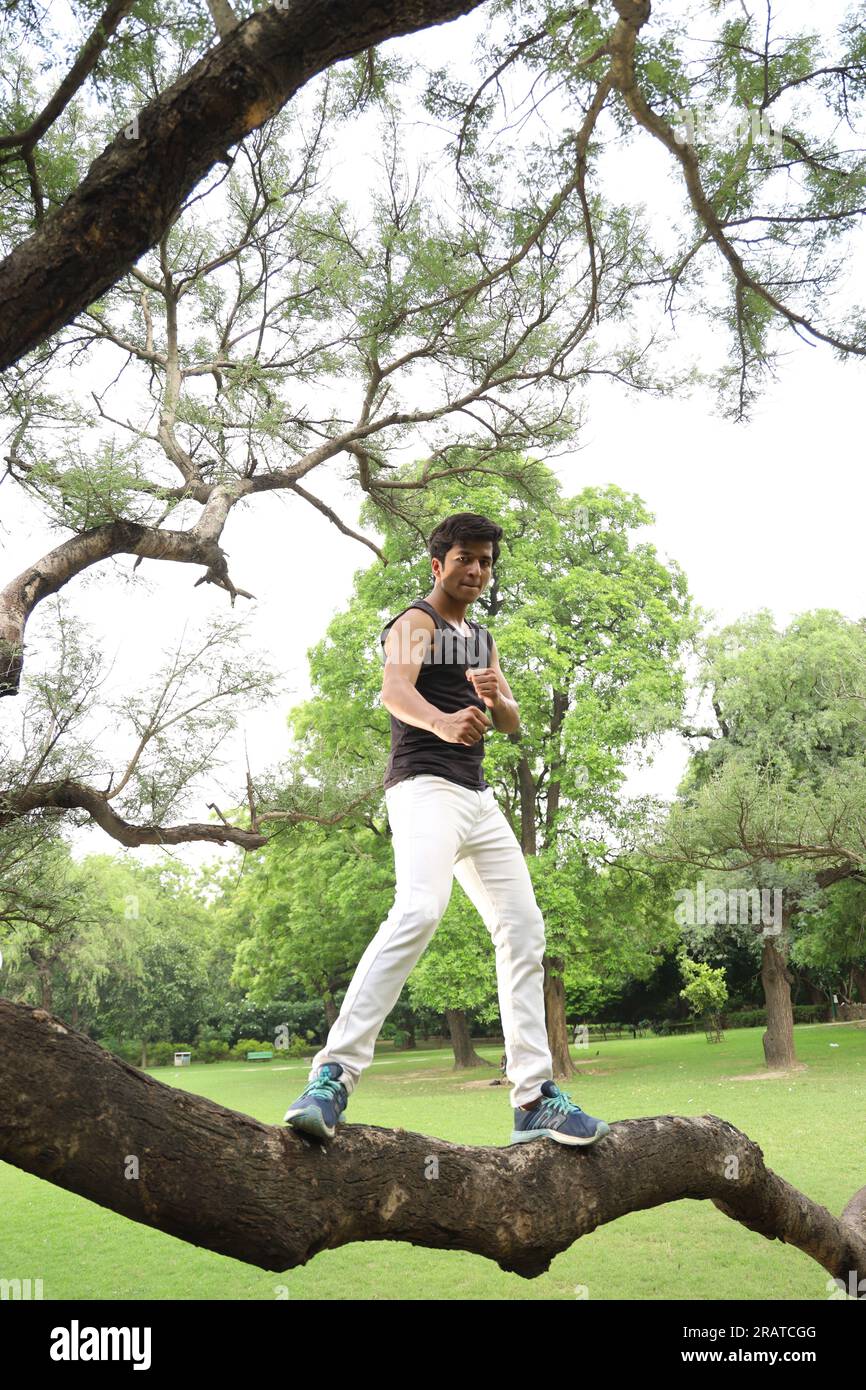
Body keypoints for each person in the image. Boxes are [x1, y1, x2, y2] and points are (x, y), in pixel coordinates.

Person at [283, 512, 610, 1148]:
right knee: (419, 910)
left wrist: (497, 697)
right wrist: (442, 722)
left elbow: (511, 723)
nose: (477, 571)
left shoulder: (481, 639)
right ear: (438, 564)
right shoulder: (415, 623)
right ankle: (331, 1077)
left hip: (478, 799)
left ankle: (533, 1099)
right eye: (466, 559)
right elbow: (394, 693)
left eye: (486, 561)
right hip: (424, 788)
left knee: (523, 927)